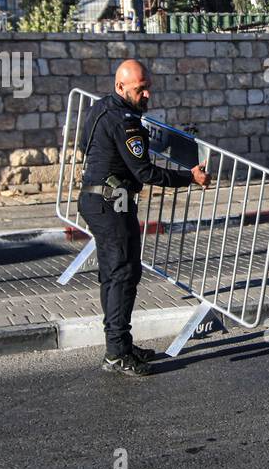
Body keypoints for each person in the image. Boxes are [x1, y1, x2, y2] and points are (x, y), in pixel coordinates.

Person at [79, 59, 211, 377]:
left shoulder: (100, 108)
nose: (147, 94)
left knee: (115, 274)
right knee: (122, 275)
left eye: (148, 86)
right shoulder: (127, 122)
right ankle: (116, 353)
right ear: (120, 87)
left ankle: (120, 345)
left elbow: (85, 144)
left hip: (99, 200)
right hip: (112, 204)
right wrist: (190, 178)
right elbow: (145, 171)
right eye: (140, 89)